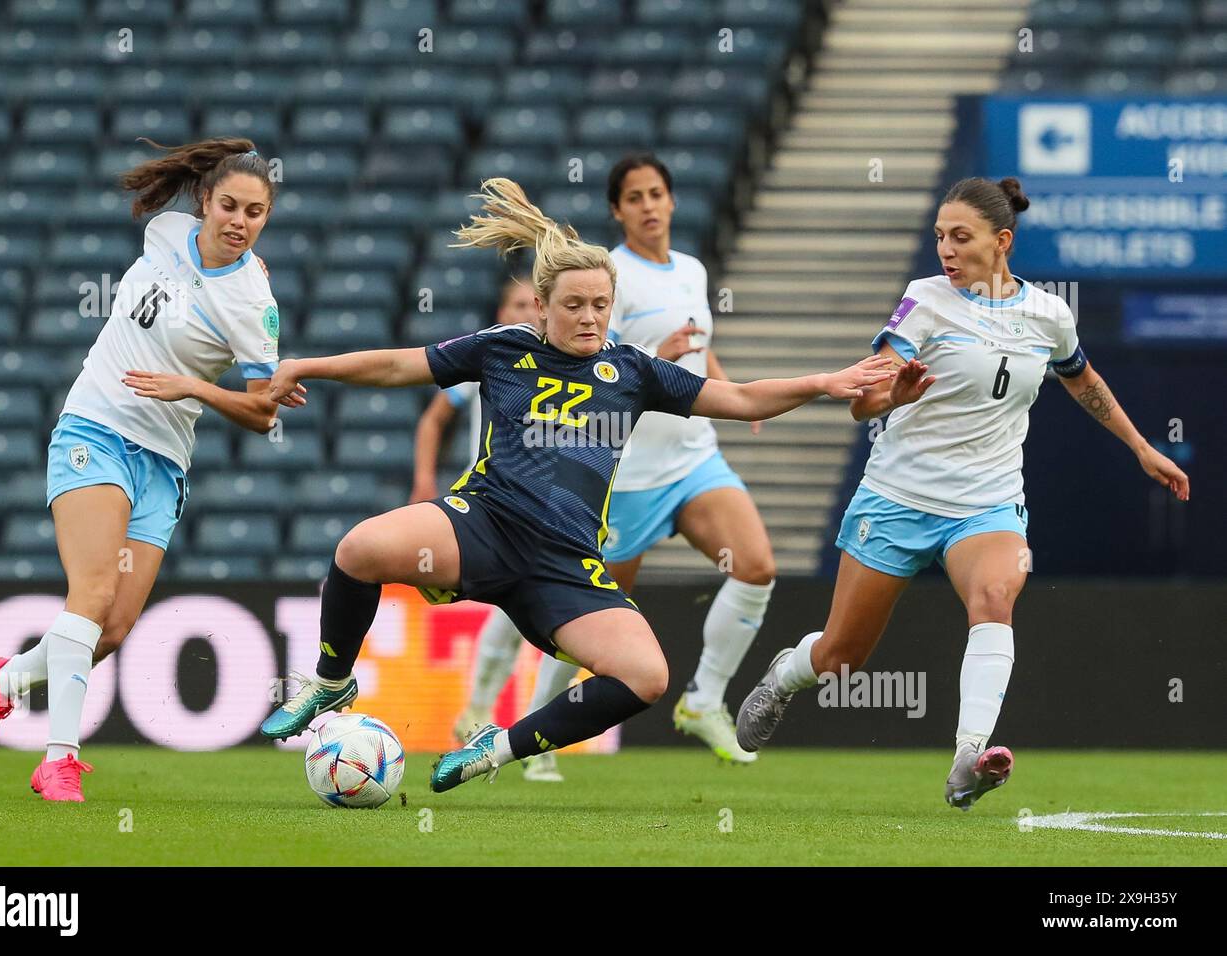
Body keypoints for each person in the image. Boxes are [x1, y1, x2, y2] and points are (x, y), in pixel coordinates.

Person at [256, 178, 893, 795]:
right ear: (541, 306)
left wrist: (823, 383)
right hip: (484, 523)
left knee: (646, 676)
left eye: (600, 305)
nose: (589, 318)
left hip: (564, 564)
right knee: (358, 549)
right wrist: (309, 365)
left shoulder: (634, 370)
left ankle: (497, 747)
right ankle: (332, 679)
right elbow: (401, 364)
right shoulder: (502, 349)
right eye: (574, 305)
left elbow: (739, 396)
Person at [734, 177, 1190, 810]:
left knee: (996, 596)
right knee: (843, 656)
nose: (946, 250)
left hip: (988, 501)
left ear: (1002, 242)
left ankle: (969, 758)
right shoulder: (924, 301)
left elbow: (1081, 378)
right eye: (940, 237)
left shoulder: (1049, 314)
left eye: (961, 237)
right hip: (897, 495)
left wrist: (1140, 446)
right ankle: (786, 674)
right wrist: (890, 396)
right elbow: (862, 402)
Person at [0, 138, 303, 802]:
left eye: (255, 213)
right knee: (88, 596)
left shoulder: (253, 303)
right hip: (96, 429)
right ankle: (59, 760)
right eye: (228, 205)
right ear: (204, 201)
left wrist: (196, 388)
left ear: (266, 219)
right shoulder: (165, 230)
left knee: (110, 630)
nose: (238, 221)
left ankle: (1, 683)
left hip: (165, 460)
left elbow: (263, 414)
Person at [596, 152, 777, 764]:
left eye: (656, 194)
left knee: (755, 567)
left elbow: (698, 352)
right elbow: (599, 372)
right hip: (629, 474)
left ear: (672, 201)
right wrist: (654, 351)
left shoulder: (693, 270)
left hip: (694, 458)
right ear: (617, 210)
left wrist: (735, 396)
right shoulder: (609, 277)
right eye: (635, 197)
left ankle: (704, 698)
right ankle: (539, 735)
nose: (648, 206)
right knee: (598, 620)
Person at [411, 276, 570, 782]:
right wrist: (423, 479)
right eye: (516, 305)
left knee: (527, 610)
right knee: (520, 607)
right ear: (502, 311)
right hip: (490, 505)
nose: (526, 313)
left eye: (532, 305)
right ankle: (516, 727)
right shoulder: (487, 357)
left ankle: (493, 717)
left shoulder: (566, 363)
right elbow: (434, 418)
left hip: (558, 509)